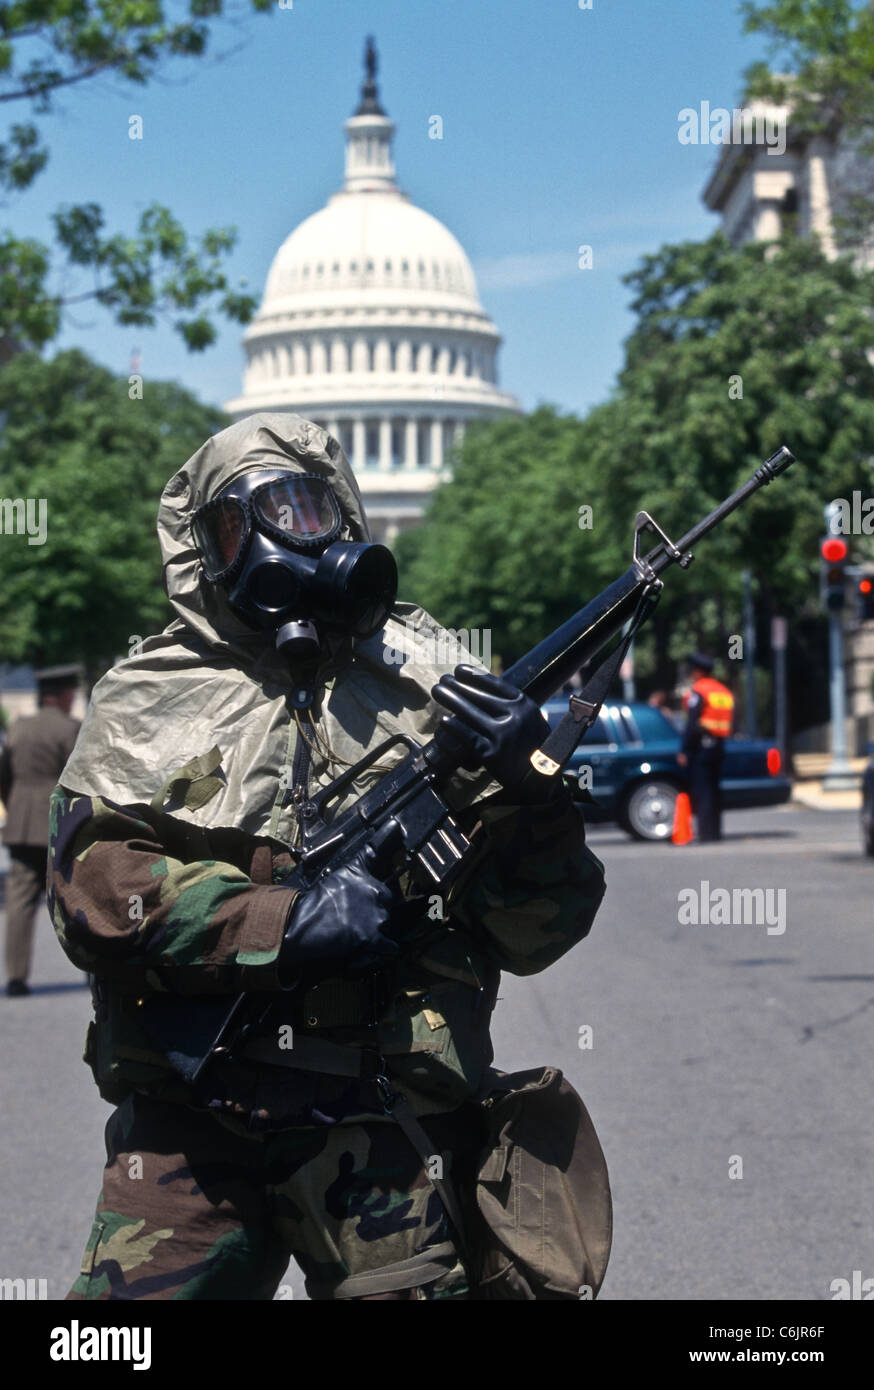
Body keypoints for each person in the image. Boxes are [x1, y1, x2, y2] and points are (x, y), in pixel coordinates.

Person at [47, 414, 607, 1301]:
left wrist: (529, 797)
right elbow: (91, 889)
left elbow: (535, 934)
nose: (286, 540)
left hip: (386, 1124)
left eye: (310, 511)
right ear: (206, 548)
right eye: (251, 521)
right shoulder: (149, 693)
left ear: (345, 519)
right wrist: (280, 921)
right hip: (192, 1125)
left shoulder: (432, 683)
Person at [1, 665, 80, 996]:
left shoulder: (19, 727)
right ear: (64, 695)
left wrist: (13, 802)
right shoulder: (71, 729)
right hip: (59, 822)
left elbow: (3, 774)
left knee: (19, 900)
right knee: (76, 896)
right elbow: (79, 777)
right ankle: (91, 969)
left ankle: (17, 977)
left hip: (21, 822)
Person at [678, 652, 734, 843]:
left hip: (701, 746)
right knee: (714, 789)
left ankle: (705, 833)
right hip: (719, 746)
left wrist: (684, 750)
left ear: (698, 671)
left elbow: (692, 723)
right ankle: (715, 832)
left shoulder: (699, 690)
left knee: (702, 790)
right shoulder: (722, 691)